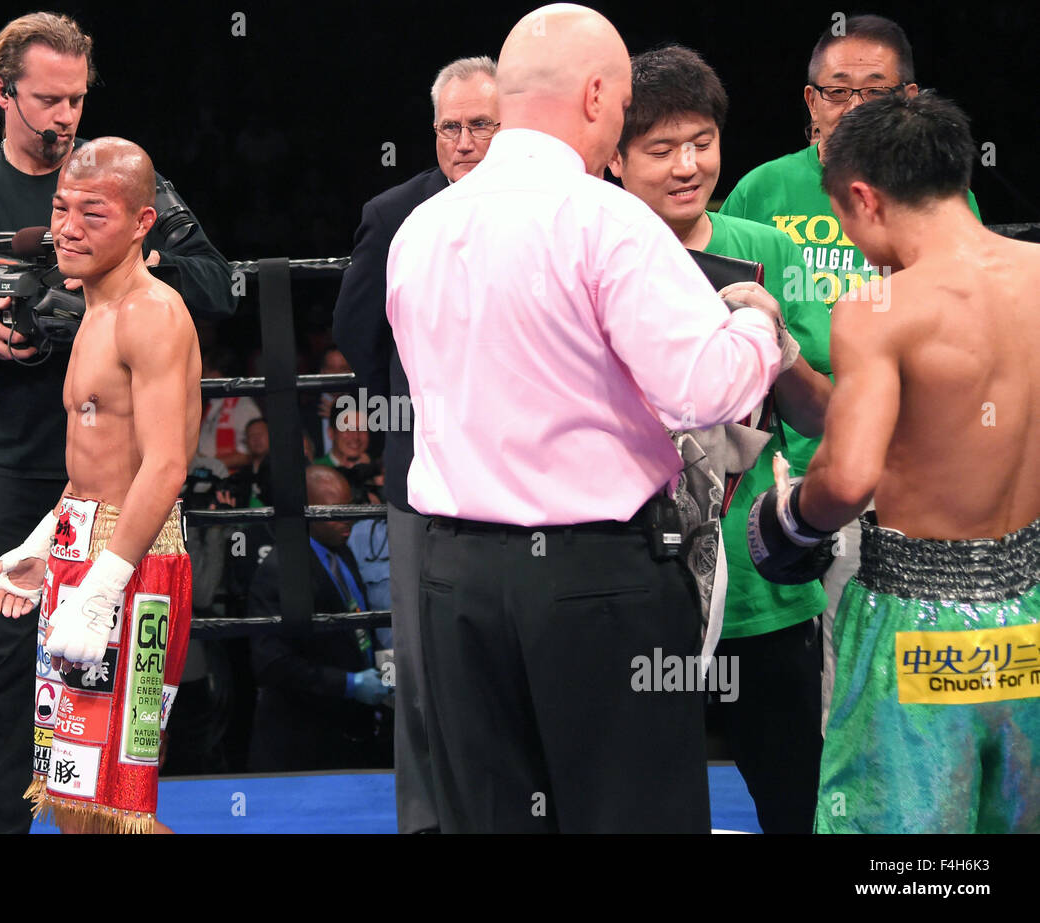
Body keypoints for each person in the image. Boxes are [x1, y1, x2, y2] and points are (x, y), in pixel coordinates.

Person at [386, 5, 786, 833]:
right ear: (600, 95)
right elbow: (704, 389)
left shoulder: (421, 227)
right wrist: (754, 320)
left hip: (451, 582)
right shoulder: (604, 218)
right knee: (629, 814)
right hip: (595, 582)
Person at [0, 12, 233, 834]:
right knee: (1, 665)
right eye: (48, 100)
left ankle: (108, 816)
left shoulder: (129, 185)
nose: (64, 118)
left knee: (115, 679)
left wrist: (125, 258)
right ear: (3, 92)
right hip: (15, 460)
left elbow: (218, 282)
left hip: (120, 474)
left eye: (77, 100)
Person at [746, 92, 1040, 833]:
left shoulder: (882, 307)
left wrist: (784, 517)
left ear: (863, 198)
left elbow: (847, 479)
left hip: (916, 623)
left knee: (901, 859)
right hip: (1030, 617)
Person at [719, 14, 981, 725]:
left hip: (912, 481)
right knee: (843, 698)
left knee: (914, 702)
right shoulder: (760, 192)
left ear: (911, 98)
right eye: (839, 92)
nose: (855, 109)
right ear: (811, 102)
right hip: (801, 471)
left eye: (875, 92)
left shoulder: (941, 198)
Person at [607, 45, 833, 833]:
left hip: (764, 591)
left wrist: (783, 349)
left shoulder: (772, 250)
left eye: (701, 141)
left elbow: (822, 416)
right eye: (661, 148)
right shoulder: (594, 253)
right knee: (647, 810)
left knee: (799, 804)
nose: (687, 164)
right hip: (637, 589)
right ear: (614, 157)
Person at [0, 137, 199, 834]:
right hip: (84, 547)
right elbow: (96, 463)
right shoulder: (93, 308)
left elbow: (165, 465)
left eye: (93, 214)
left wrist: (103, 585)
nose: (68, 228)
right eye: (60, 208)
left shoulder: (151, 314)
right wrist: (44, 540)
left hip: (132, 569)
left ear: (142, 224)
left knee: (113, 811)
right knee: (76, 806)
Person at [332, 53, 498, 834]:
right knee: (426, 669)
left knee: (512, 659)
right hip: (423, 472)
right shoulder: (394, 211)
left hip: (531, 478)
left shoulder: (561, 207)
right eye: (450, 128)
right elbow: (359, 334)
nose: (464, 142)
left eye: (481, 126)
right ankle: (429, 824)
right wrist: (416, 402)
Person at [247, 466, 391, 772]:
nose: (347, 519)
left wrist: (386, 671)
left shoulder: (341, 552)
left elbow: (360, 623)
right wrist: (349, 684)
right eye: (335, 512)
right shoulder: (281, 570)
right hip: (304, 740)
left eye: (348, 507)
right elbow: (272, 664)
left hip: (351, 729)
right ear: (308, 513)